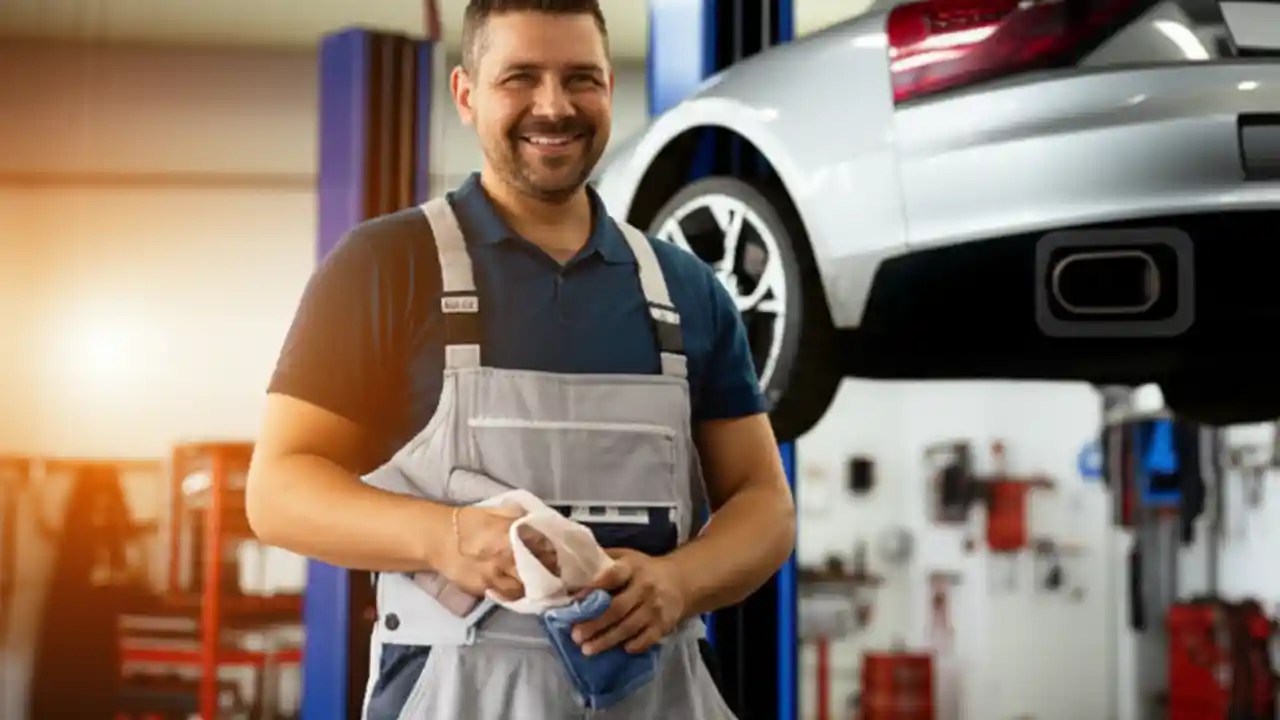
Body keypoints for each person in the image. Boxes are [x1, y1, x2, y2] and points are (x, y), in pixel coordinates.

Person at [244, 0, 796, 717]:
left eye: (581, 79)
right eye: (521, 78)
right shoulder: (386, 267)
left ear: (609, 88)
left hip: (661, 694)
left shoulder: (686, 290)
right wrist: (443, 539)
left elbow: (765, 506)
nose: (554, 106)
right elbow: (278, 491)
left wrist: (679, 583)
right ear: (466, 95)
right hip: (459, 691)